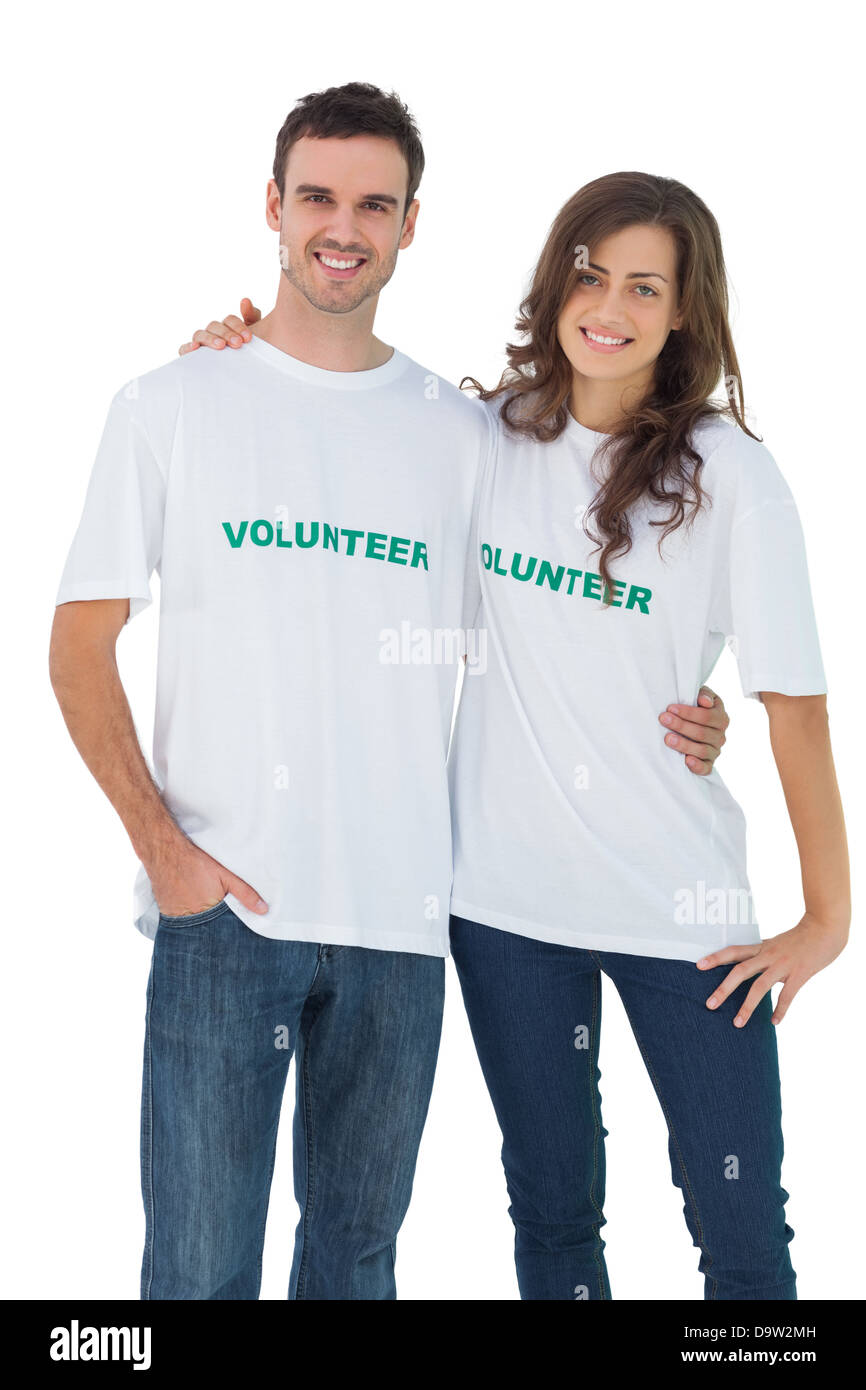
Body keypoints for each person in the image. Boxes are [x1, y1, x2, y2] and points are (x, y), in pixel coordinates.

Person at [190, 170, 848, 1301]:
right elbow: (343, 427)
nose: (609, 305)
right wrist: (248, 354)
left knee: (739, 1227)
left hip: (678, 913)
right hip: (502, 910)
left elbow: (792, 702)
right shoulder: (483, 437)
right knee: (551, 1214)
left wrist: (825, 919)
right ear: (555, 284)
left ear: (684, 310)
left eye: (645, 287)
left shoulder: (735, 478)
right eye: (589, 275)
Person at [50, 81, 493, 1302]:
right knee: (194, 1276)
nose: (340, 227)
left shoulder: (463, 436)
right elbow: (76, 644)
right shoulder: (171, 404)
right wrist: (167, 852)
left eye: (372, 203)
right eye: (316, 197)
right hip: (223, 914)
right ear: (272, 207)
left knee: (354, 1268)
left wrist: (696, 704)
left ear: (410, 224)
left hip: (402, 925)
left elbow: (542, 634)